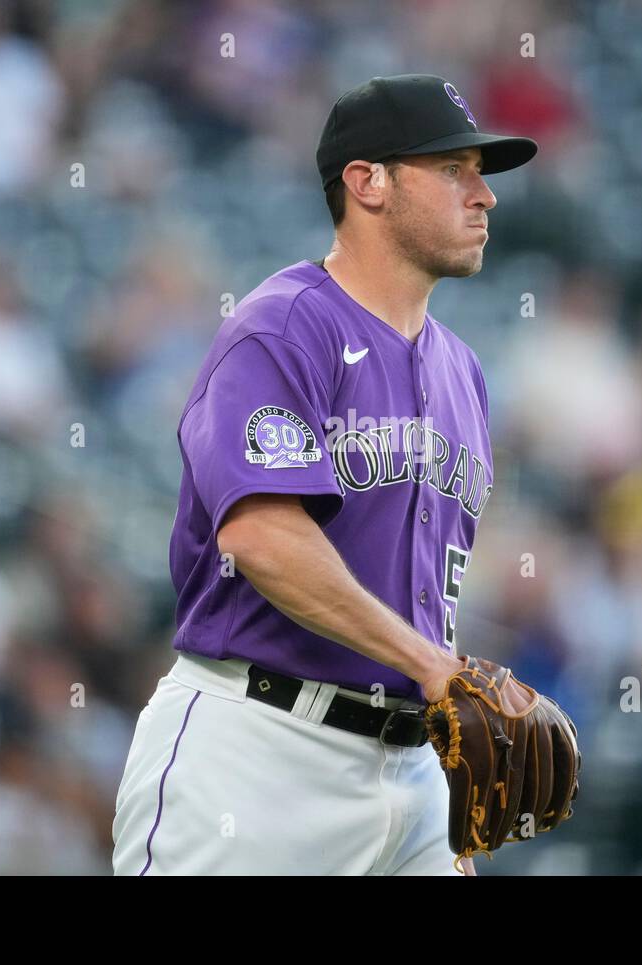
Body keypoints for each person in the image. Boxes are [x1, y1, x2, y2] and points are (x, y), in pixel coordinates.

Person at [112, 74, 537, 875]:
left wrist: (442, 775)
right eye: (454, 170)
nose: (484, 196)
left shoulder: (464, 374)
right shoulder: (282, 327)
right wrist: (434, 668)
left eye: (482, 172)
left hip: (411, 772)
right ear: (367, 181)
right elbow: (261, 536)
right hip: (258, 750)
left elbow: (420, 598)